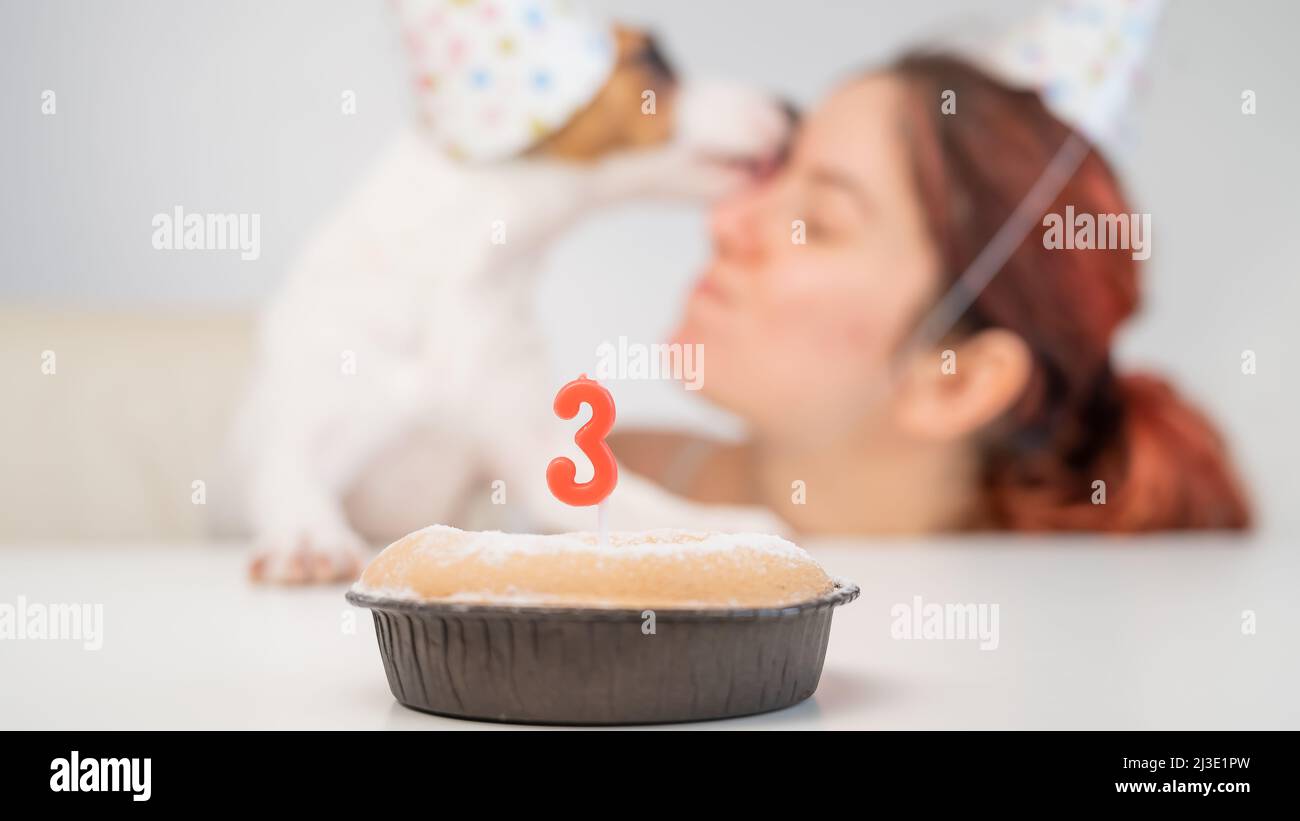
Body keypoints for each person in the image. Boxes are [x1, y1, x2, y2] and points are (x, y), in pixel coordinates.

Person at [612, 54, 1251, 535]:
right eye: (771, 175)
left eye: (822, 223)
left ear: (957, 382)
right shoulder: (592, 479)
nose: (723, 222)